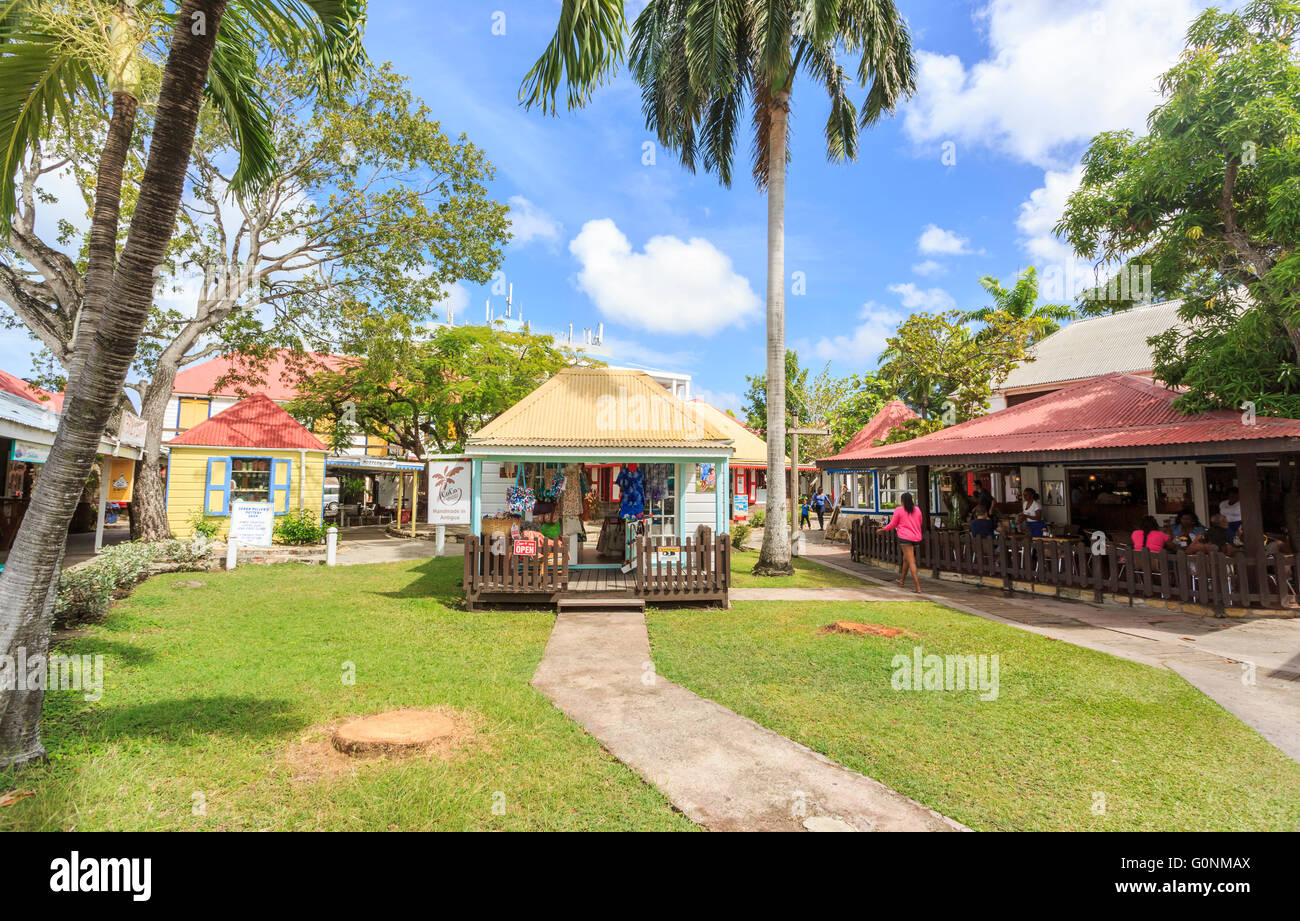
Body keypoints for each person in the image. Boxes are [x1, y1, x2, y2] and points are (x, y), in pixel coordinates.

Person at [881, 492, 924, 593]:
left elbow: (893, 524)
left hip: (905, 538)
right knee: (906, 560)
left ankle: (918, 587)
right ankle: (902, 581)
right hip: (916, 537)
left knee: (911, 561)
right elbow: (920, 522)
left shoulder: (899, 510)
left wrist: (883, 529)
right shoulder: (917, 510)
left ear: (902, 501)